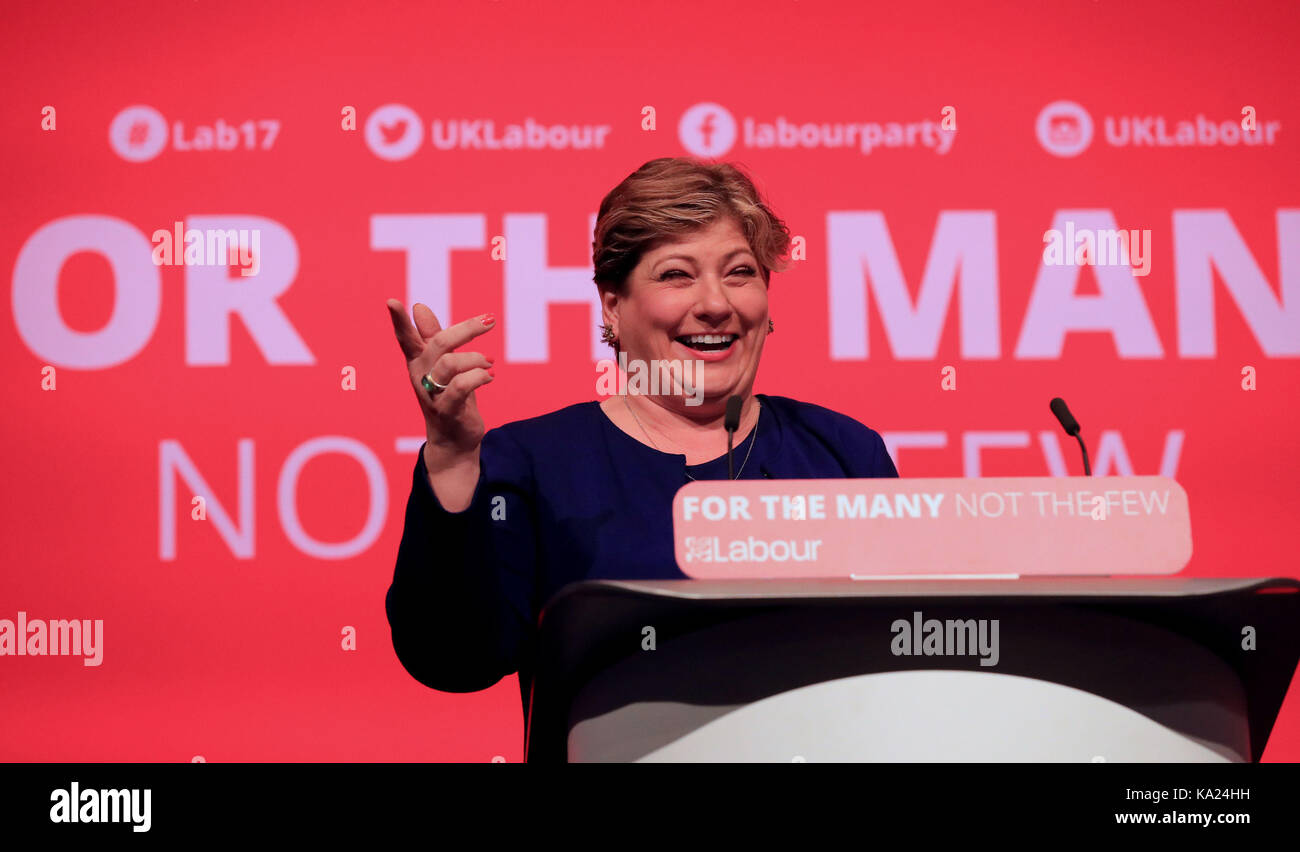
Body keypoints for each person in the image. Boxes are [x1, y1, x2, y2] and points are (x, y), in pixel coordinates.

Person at [384, 156, 898, 726]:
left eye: (740, 272)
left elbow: (897, 668)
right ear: (613, 306)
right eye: (676, 274)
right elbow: (456, 662)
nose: (715, 303)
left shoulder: (845, 452)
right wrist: (453, 461)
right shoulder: (531, 463)